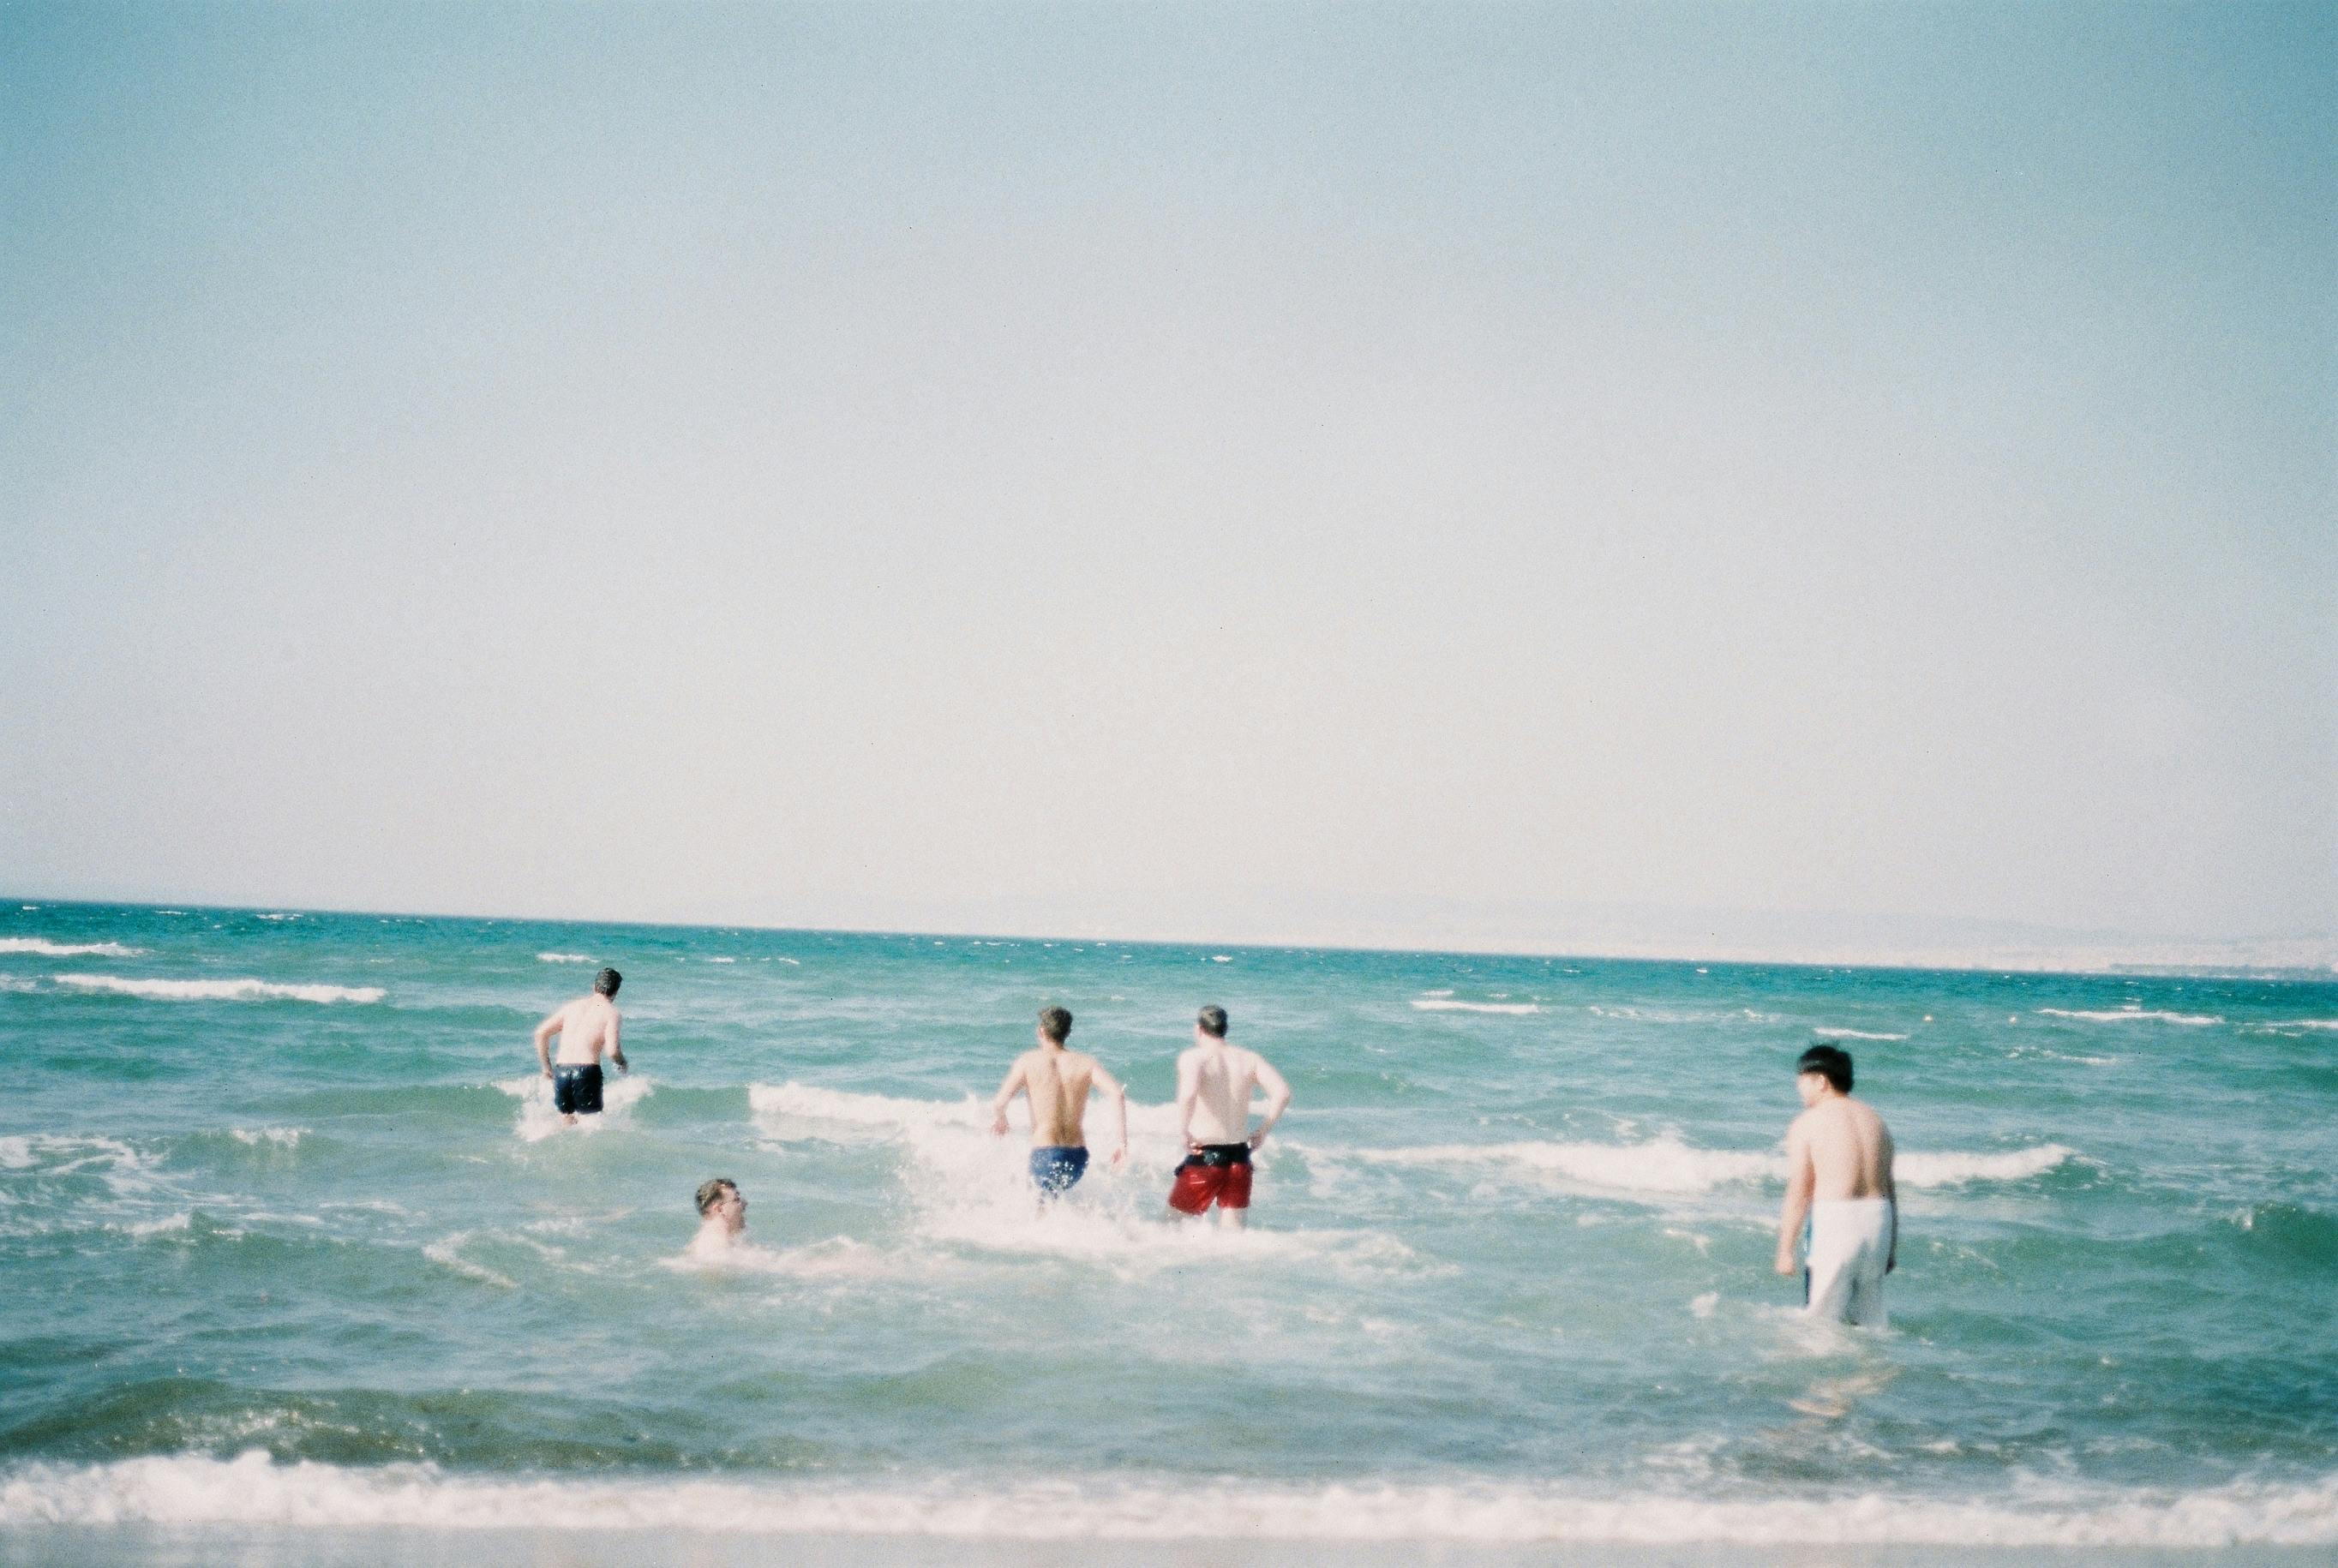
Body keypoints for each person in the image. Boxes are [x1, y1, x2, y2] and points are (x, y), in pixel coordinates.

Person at [1775, 1043, 1897, 1326]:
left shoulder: (1809, 1122)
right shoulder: (1876, 1121)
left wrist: (1785, 1250)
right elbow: (1890, 1189)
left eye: (1801, 1081)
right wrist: (1891, 1249)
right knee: (1871, 1323)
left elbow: (1799, 1190)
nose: (1798, 1088)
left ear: (1820, 1080)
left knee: (1821, 1322)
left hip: (1837, 1222)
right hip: (1878, 1222)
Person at [1167, 1005, 1292, 1228]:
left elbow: (1188, 1094)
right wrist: (1263, 1130)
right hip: (1240, 1158)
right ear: (1225, 1029)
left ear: (1198, 1030)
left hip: (1205, 1159)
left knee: (1169, 1228)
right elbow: (1282, 1093)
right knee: (1233, 1240)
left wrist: (1183, 1131)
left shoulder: (1195, 1058)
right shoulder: (1249, 1059)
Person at [989, 1006, 1128, 1198]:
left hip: (1045, 1154)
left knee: (1040, 1210)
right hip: (1077, 1157)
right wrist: (1122, 1143)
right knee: (1057, 1202)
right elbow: (1117, 1094)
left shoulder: (1028, 1061)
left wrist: (1001, 1119)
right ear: (1068, 1033)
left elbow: (999, 1102)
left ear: (1041, 1031)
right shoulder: (1086, 1063)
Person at [532, 967, 626, 1125]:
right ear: (615, 992)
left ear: (594, 987)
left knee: (567, 1124)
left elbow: (541, 1033)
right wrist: (622, 1063)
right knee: (590, 1127)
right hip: (587, 1073)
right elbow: (612, 1051)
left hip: (561, 1071)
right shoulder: (612, 1013)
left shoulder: (572, 1007)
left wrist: (546, 1067)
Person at [688, 1177, 746, 1259]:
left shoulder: (710, 1241)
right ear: (719, 1210)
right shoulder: (717, 1248)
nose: (744, 1204)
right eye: (737, 1200)